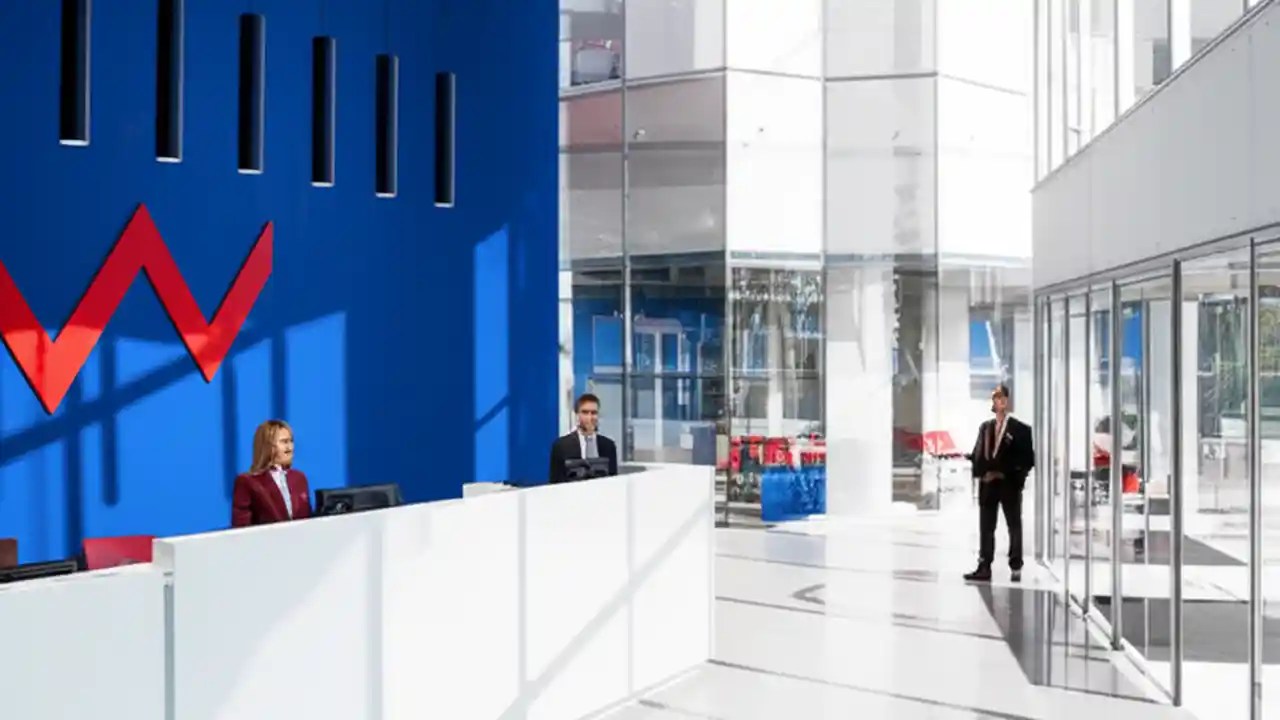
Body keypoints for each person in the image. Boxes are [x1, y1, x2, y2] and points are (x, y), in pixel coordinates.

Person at [964, 384, 1035, 583]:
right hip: (988, 486)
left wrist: (1003, 473)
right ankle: (984, 565)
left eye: (1003, 397)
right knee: (986, 526)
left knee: (1013, 525)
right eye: (996, 397)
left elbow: (1027, 460)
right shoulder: (985, 428)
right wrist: (980, 471)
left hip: (1008, 485)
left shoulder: (1021, 429)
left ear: (1009, 401)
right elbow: (978, 453)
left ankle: (1015, 564)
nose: (999, 401)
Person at [231, 419, 313, 527]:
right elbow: (241, 526)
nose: (290, 447)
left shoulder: (299, 478)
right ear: (268, 446)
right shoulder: (247, 482)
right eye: (284, 442)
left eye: (291, 441)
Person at [549, 393, 618, 483]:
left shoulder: (608, 446)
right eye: (585, 412)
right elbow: (555, 483)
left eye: (594, 413)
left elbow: (613, 480)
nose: (590, 417)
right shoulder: (561, 446)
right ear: (577, 415)